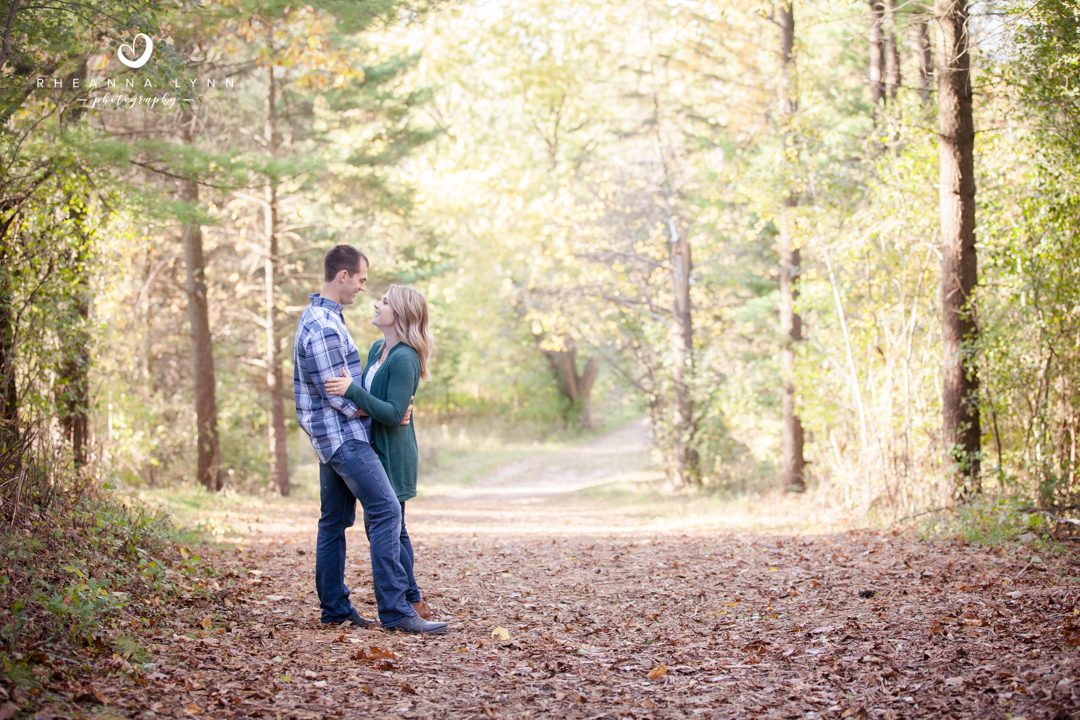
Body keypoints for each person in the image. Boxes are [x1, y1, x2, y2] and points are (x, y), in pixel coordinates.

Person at [293, 245, 447, 635]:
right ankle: (395, 611)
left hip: (339, 439)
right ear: (343, 276)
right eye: (362, 281)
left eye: (377, 293)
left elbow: (355, 387)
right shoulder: (327, 327)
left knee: (335, 521)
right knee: (385, 514)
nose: (365, 291)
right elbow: (339, 393)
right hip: (345, 438)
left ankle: (337, 610)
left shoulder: (327, 320)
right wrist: (382, 409)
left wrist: (382, 405)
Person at [326, 285, 435, 620]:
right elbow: (379, 407)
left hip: (394, 452)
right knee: (386, 528)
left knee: (390, 528)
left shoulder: (405, 358)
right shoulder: (377, 349)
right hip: (373, 447)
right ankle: (411, 599)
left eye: (384, 302)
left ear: (399, 314)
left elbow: (391, 412)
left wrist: (353, 391)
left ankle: (409, 600)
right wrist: (363, 401)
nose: (376, 303)